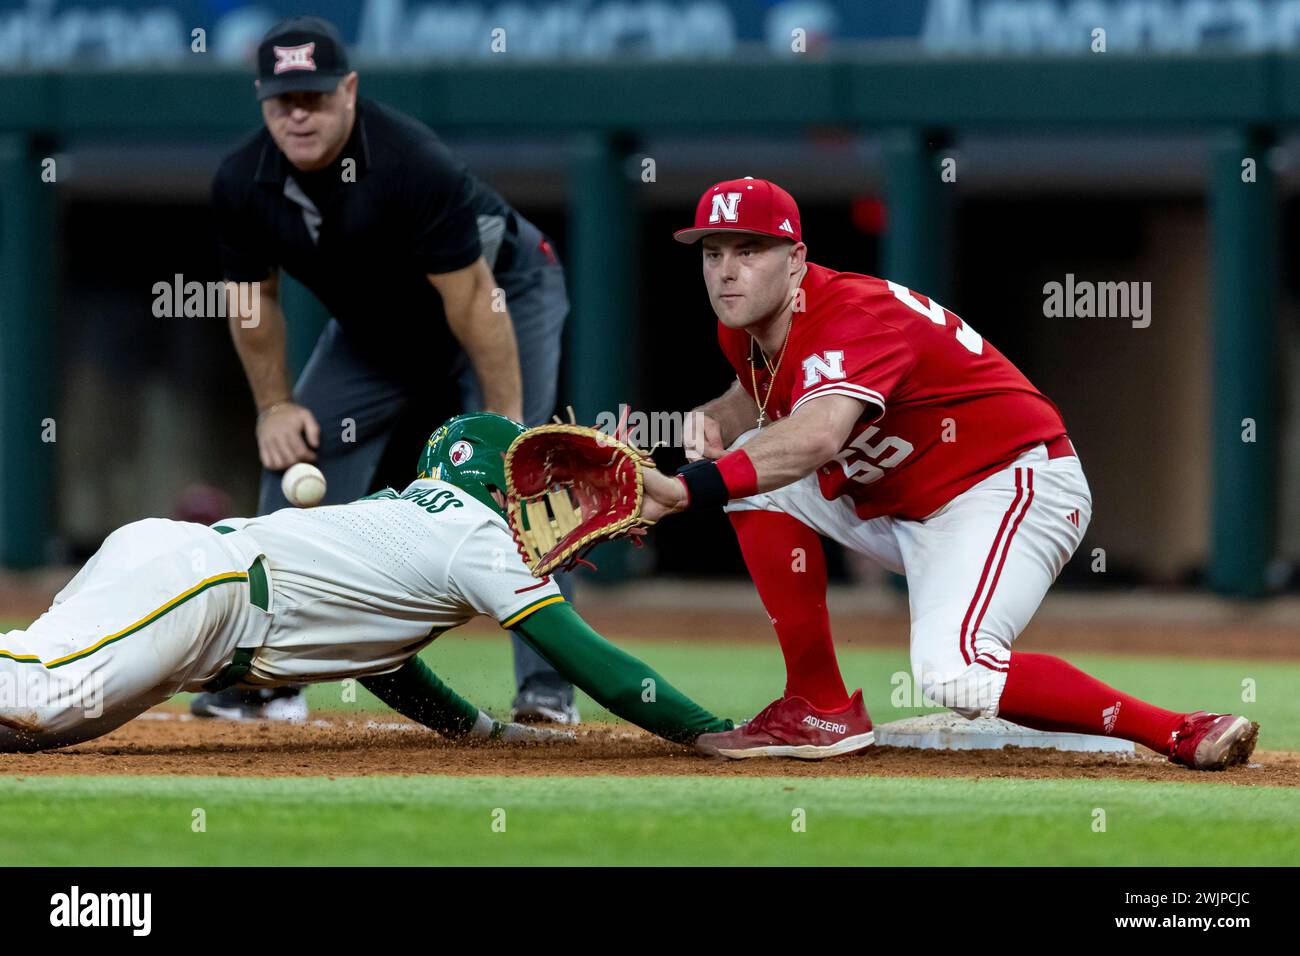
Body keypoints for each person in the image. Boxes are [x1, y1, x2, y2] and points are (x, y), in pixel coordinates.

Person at [633, 177, 1258, 771]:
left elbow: (818, 432)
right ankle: (818, 707)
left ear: (796, 259)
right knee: (750, 469)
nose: (727, 270)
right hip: (906, 503)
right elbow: (763, 398)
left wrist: (687, 488)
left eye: (749, 249)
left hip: (1007, 487)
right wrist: (712, 419)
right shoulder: (744, 330)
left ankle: (1177, 728)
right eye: (712, 252)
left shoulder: (853, 317)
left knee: (956, 675)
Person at [196, 14, 575, 724]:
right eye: (283, 101)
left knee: (521, 480)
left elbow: (474, 302)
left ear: (350, 90)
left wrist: (508, 429)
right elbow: (254, 303)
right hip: (378, 327)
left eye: (314, 96)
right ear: (261, 101)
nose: (299, 114)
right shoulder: (241, 180)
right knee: (293, 465)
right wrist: (274, 406)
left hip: (504, 294)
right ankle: (273, 678)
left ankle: (547, 688)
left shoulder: (409, 162)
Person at [0, 414, 730, 753]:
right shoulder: (476, 535)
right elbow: (579, 653)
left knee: (32, 726)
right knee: (40, 696)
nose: (543, 506)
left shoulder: (413, 517)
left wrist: (480, 732)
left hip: (186, 588)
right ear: (492, 485)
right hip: (205, 591)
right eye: (530, 489)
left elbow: (384, 664)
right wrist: (707, 732)